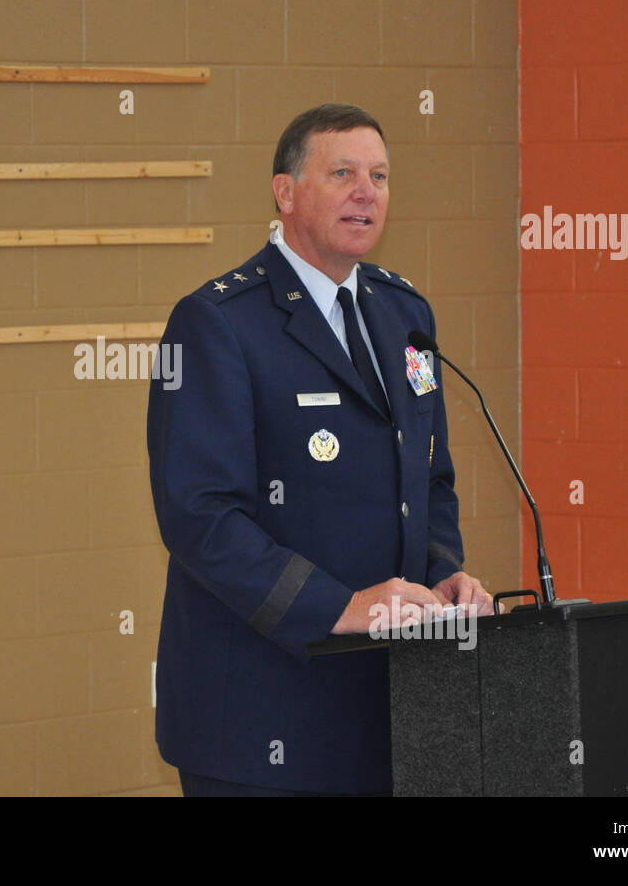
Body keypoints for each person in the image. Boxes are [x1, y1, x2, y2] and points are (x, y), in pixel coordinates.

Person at [146, 103, 493, 796]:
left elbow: (431, 479)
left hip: (389, 711)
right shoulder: (215, 323)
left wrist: (443, 573)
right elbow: (199, 516)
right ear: (285, 191)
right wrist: (340, 605)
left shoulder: (406, 313)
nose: (367, 192)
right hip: (260, 717)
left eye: (381, 176)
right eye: (343, 173)